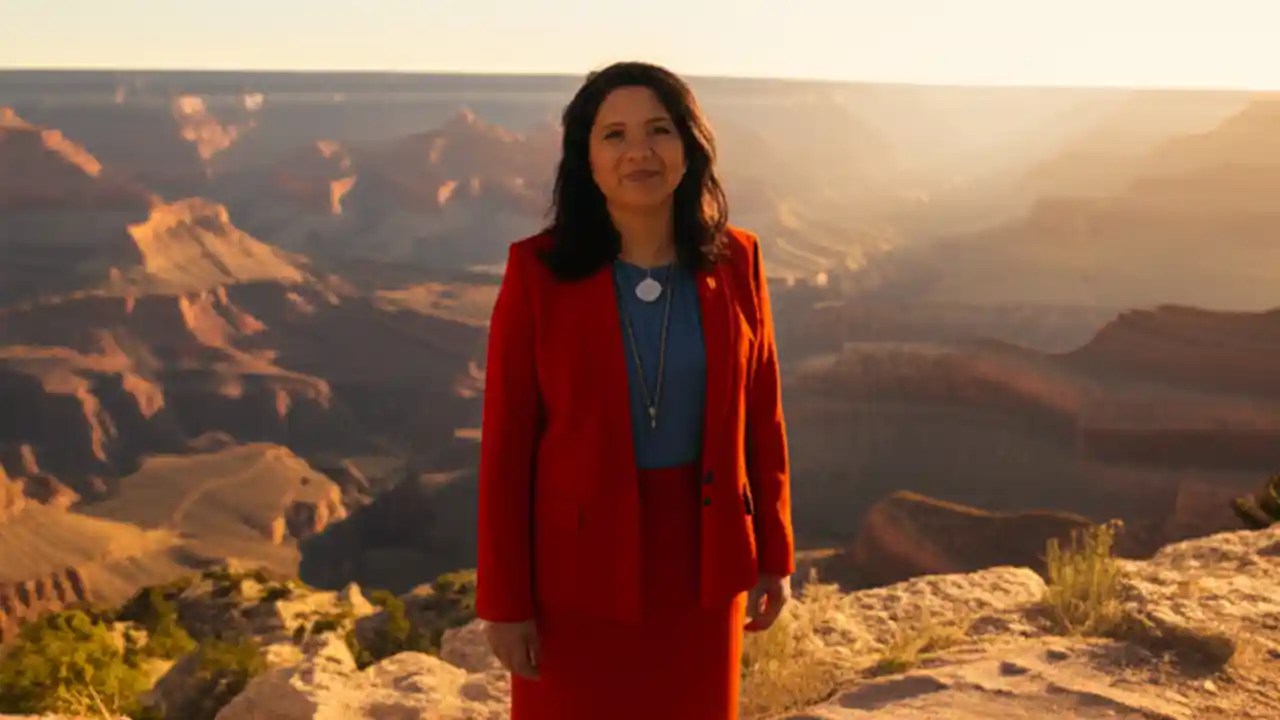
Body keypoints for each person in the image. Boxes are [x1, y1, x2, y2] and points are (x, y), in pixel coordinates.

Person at [475, 60, 795, 720]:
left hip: (704, 570)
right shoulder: (536, 274)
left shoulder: (738, 261)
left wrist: (775, 554)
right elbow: (507, 450)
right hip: (574, 578)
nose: (639, 152)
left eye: (659, 130)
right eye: (613, 135)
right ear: (585, 158)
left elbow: (762, 420)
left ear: (690, 145)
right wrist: (506, 606)